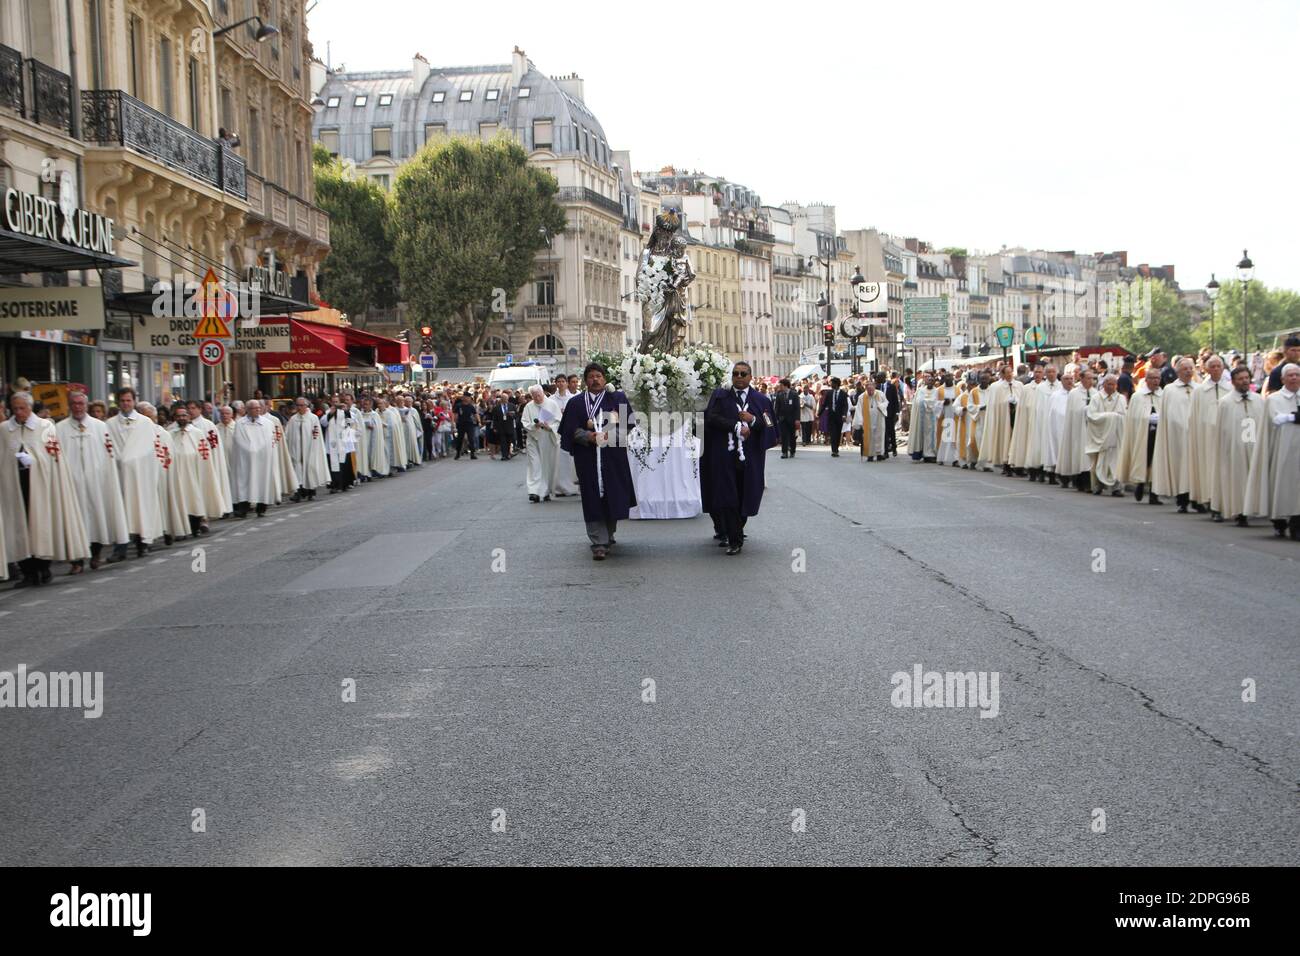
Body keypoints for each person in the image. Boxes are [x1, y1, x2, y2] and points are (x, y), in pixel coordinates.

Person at [1, 391, 89, 586]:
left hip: (40, 484)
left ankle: (43, 566)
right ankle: (27, 571)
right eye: (15, 408)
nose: (19, 412)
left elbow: (52, 456)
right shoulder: (5, 429)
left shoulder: (45, 426)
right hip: (14, 486)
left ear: (30, 408)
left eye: (22, 408)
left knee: (40, 524)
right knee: (18, 527)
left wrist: (34, 460)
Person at [559, 363, 637, 560]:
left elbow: (628, 425)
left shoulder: (616, 398)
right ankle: (598, 542)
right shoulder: (576, 403)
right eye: (591, 376)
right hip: (587, 457)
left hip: (612, 456)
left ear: (604, 378)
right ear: (586, 380)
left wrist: (607, 436)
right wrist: (588, 436)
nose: (595, 379)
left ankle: (609, 532)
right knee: (592, 495)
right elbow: (570, 430)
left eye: (599, 376)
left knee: (613, 493)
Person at [701, 361, 775, 555]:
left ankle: (738, 529)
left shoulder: (761, 400)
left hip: (750, 459)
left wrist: (753, 420)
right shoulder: (721, 397)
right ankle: (735, 538)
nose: (739, 377)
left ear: (751, 377)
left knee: (746, 495)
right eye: (736, 374)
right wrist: (734, 425)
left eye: (743, 374)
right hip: (725, 457)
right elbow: (711, 418)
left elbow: (769, 425)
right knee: (728, 495)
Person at [56, 390, 129, 572]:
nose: (77, 407)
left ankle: (95, 553)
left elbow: (108, 454)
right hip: (72, 483)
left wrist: (105, 476)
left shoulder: (99, 427)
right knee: (75, 520)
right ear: (69, 406)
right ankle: (77, 560)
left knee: (96, 518)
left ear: (85, 405)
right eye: (74, 404)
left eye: (81, 404)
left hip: (96, 481)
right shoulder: (60, 428)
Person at [106, 387, 164, 557]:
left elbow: (150, 448)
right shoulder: (109, 424)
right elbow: (108, 448)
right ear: (118, 402)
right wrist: (121, 460)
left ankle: (143, 542)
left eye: (128, 400)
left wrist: (133, 458)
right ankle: (120, 548)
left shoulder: (145, 423)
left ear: (134, 401)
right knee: (120, 509)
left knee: (140, 507)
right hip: (119, 473)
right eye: (122, 400)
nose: (125, 403)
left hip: (140, 474)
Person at [1244, 362, 1300, 538]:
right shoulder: (1274, 399)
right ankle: (1279, 521)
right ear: (1283, 379)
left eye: (1297, 375)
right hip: (1282, 452)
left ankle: (1297, 523)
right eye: (1290, 375)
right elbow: (1274, 421)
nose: (1294, 378)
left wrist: (1292, 417)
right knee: (1282, 486)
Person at [1214, 365, 1267, 526]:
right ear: (1234, 382)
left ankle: (1255, 507)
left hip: (1254, 445)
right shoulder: (1225, 403)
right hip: (1235, 448)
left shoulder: (1258, 400)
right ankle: (1239, 511)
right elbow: (1222, 429)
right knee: (1238, 479)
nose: (1244, 381)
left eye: (1246, 378)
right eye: (1240, 379)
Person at [1186, 355, 1232, 517]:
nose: (1216, 369)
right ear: (1206, 369)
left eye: (1219, 366)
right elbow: (1194, 416)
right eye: (1212, 366)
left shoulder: (1230, 389)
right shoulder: (1199, 391)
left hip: (1226, 436)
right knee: (1209, 468)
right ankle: (1212, 501)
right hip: (1207, 437)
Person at [1152, 357, 1197, 512]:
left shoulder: (1199, 389)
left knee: (1195, 467)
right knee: (1180, 467)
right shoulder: (1170, 390)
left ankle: (1197, 498)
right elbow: (1166, 414)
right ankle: (1182, 499)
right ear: (1178, 371)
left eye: (1191, 368)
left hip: (1194, 435)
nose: (1189, 371)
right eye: (1185, 369)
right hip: (1176, 435)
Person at [164, 403, 216, 538]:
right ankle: (181, 528)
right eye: (179, 415)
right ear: (174, 417)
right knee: (180, 499)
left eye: (184, 415)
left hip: (193, 472)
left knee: (194, 498)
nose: (182, 418)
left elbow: (204, 453)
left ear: (188, 417)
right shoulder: (169, 433)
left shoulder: (197, 433)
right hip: (177, 473)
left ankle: (195, 526)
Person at [1118, 367, 1164, 504]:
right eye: (1153, 378)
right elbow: (1134, 417)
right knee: (1144, 459)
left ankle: (1154, 493)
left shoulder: (1163, 395)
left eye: (1158, 378)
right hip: (1143, 434)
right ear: (1147, 380)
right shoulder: (1138, 396)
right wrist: (1147, 419)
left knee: (1157, 462)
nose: (1156, 381)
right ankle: (1140, 483)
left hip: (1159, 434)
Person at [229, 399, 277, 518]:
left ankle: (261, 508)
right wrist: (250, 450)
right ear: (247, 410)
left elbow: (269, 440)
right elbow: (238, 439)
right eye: (254, 408)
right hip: (245, 458)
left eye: (258, 408)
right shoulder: (240, 423)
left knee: (262, 482)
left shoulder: (267, 423)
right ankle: (243, 508)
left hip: (262, 458)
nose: (257, 410)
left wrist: (259, 450)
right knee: (244, 482)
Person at [1086, 374, 1128, 495]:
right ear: (1104, 384)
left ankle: (1116, 487)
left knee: (1116, 461)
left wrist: (1116, 419)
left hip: (1115, 437)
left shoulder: (1121, 398)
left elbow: (1124, 416)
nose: (1111, 387)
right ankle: (1097, 485)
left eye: (1114, 384)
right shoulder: (1096, 398)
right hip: (1100, 436)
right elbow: (1091, 415)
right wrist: (1110, 417)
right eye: (1109, 384)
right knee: (1098, 461)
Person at [1056, 367, 1095, 491]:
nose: (1090, 381)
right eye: (1088, 378)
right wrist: (1083, 411)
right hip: (1079, 429)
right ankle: (1079, 480)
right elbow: (1073, 412)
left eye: (1092, 378)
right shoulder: (1074, 393)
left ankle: (1090, 481)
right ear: (1081, 379)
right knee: (1079, 454)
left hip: (1092, 429)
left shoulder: (1095, 393)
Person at [286, 396, 331, 502]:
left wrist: (314, 446)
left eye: (302, 405)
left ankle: (311, 492)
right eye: (297, 405)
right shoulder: (293, 419)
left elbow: (316, 433)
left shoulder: (313, 418)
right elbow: (288, 434)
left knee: (309, 470)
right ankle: (299, 492)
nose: (299, 407)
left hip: (309, 448)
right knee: (297, 470)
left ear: (306, 406)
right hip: (297, 450)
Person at [521, 385, 561, 502]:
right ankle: (534, 492)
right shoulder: (528, 406)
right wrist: (534, 425)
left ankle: (546, 490)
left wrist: (550, 427)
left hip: (548, 438)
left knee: (547, 465)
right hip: (533, 439)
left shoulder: (552, 404)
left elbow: (559, 421)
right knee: (535, 465)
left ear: (543, 393)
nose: (537, 398)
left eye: (539, 395)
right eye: (534, 396)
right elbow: (524, 422)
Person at [1024, 364, 1064, 483]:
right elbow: (1037, 406)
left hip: (1055, 422)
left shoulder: (1061, 387)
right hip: (1042, 421)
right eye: (1049, 372)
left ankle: (1053, 474)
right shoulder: (1041, 388)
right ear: (1045, 374)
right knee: (1039, 446)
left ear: (1056, 373)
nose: (1051, 374)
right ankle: (1038, 471)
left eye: (1053, 372)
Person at [979, 365, 1021, 474]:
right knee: (1006, 440)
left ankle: (1017, 464)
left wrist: (1017, 401)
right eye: (1007, 373)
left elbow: (1022, 399)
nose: (1010, 375)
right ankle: (1006, 464)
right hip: (1004, 420)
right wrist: (1006, 402)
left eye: (1011, 372)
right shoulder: (996, 387)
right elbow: (994, 405)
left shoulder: (1019, 385)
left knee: (1016, 439)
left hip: (1016, 417)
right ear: (1002, 374)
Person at [955, 370, 989, 469]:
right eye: (970, 384)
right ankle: (967, 461)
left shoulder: (988, 391)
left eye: (973, 384)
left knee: (979, 441)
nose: (971, 386)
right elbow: (955, 407)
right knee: (970, 441)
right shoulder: (963, 396)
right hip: (967, 422)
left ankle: (979, 461)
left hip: (980, 420)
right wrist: (963, 409)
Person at [853, 377, 889, 461]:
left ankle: (879, 454)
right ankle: (870, 455)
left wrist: (881, 406)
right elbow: (858, 409)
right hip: (867, 420)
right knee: (869, 437)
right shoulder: (862, 397)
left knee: (879, 436)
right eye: (869, 391)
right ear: (866, 389)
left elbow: (886, 402)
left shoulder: (880, 394)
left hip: (879, 419)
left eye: (872, 390)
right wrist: (860, 421)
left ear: (874, 388)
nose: (871, 392)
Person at [933, 374, 959, 466]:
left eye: (950, 378)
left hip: (955, 416)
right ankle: (941, 457)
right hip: (944, 416)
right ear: (943, 380)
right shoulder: (939, 390)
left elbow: (961, 401)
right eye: (946, 378)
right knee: (945, 437)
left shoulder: (958, 389)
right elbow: (934, 403)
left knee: (954, 438)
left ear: (953, 379)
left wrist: (955, 401)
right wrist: (943, 402)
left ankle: (955, 459)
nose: (949, 380)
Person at [773, 379, 800, 459]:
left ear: (785, 385)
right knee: (784, 436)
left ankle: (792, 451)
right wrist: (776, 418)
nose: (779, 387)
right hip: (782, 419)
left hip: (792, 419)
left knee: (792, 436)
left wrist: (797, 419)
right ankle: (784, 452)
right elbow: (777, 407)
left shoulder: (794, 394)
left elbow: (797, 408)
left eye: (780, 385)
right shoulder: (779, 394)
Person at [824, 377, 849, 457]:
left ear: (836, 384)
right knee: (833, 433)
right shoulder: (829, 393)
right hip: (831, 416)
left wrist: (844, 414)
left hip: (839, 417)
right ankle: (834, 450)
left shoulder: (843, 394)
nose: (830, 384)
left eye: (832, 383)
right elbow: (824, 404)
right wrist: (819, 413)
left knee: (838, 433)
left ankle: (836, 448)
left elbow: (845, 405)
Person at [489, 392, 516, 461]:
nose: (505, 400)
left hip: (509, 426)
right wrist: (494, 427)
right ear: (501, 399)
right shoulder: (496, 408)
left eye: (506, 398)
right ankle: (504, 455)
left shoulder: (512, 406)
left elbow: (516, 416)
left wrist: (512, 415)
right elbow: (494, 418)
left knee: (508, 441)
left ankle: (507, 454)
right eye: (503, 398)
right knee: (503, 441)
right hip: (500, 427)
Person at [453, 393, 479, 461]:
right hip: (461, 424)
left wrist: (478, 421)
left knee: (471, 438)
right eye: (467, 397)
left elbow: (475, 414)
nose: (468, 398)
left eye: (469, 397)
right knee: (460, 439)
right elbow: (455, 415)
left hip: (469, 424)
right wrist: (455, 423)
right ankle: (458, 453)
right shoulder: (459, 406)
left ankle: (472, 454)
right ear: (463, 397)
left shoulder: (471, 406)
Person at [799, 382, 817, 447]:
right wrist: (801, 406)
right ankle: (804, 441)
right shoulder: (800, 396)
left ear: (808, 389)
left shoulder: (811, 397)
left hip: (809, 414)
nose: (805, 389)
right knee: (803, 428)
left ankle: (808, 440)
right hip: (803, 414)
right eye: (804, 388)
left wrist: (806, 404)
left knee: (808, 428)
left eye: (806, 388)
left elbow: (813, 406)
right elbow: (799, 405)